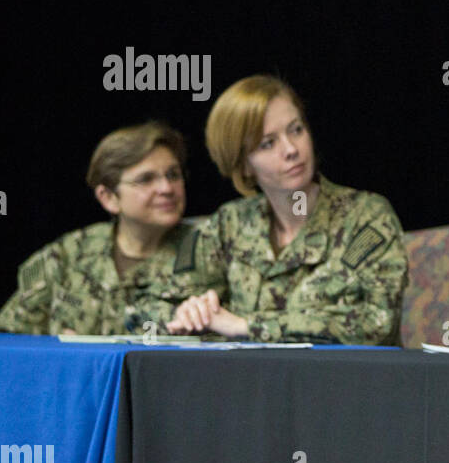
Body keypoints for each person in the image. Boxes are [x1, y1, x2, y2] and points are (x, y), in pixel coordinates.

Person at [167, 75, 408, 344]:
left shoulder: (366, 216)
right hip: (250, 383)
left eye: (296, 130)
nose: (292, 149)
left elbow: (376, 322)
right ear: (243, 165)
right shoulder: (229, 223)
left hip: (344, 382)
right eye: (268, 143)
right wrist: (190, 313)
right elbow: (158, 310)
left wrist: (247, 326)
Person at [0, 121, 194, 336]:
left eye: (173, 175)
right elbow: (5, 338)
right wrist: (59, 353)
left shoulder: (205, 251)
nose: (166, 188)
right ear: (109, 198)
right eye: (146, 179)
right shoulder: (66, 255)